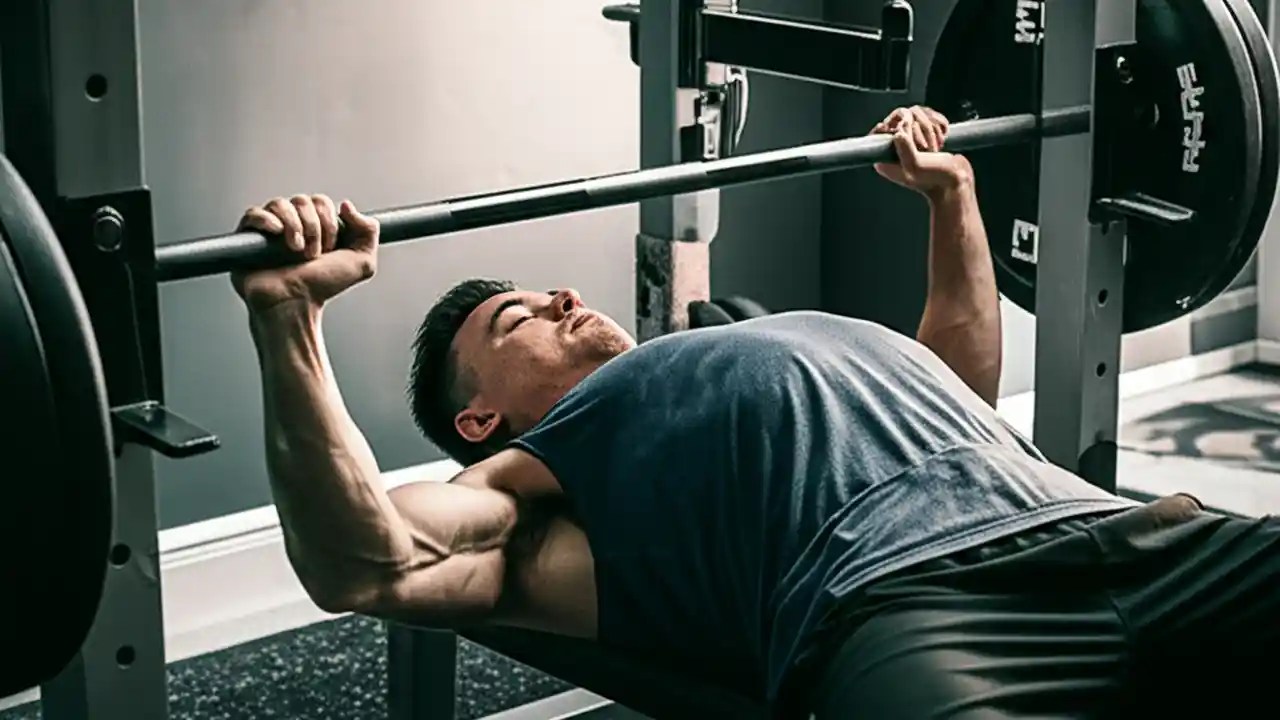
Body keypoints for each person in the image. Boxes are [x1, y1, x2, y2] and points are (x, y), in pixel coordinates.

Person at [232, 106, 1277, 718]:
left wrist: (950, 198)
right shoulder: (531, 481)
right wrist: (290, 321)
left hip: (1119, 532)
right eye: (516, 320)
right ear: (480, 422)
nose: (559, 296)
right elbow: (368, 561)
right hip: (922, 617)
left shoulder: (761, 340)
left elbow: (954, 382)